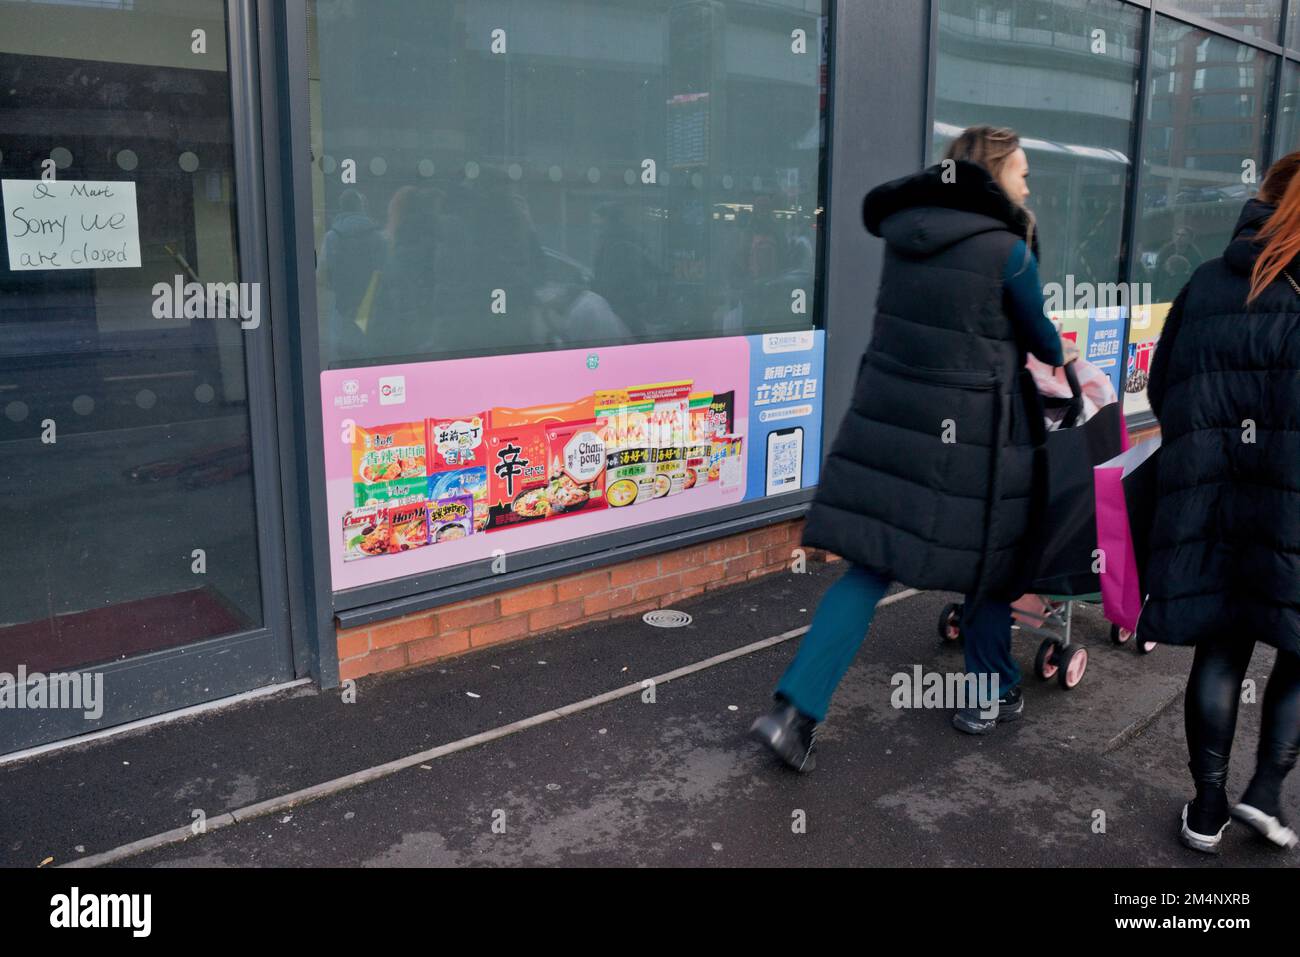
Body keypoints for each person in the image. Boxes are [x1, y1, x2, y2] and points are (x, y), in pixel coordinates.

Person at [749, 126, 1066, 770]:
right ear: (995, 173)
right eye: (1023, 172)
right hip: (974, 437)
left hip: (892, 424)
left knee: (868, 566)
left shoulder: (905, 237)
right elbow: (1044, 344)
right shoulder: (1008, 251)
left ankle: (794, 712)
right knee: (991, 565)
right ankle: (991, 690)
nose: (1028, 185)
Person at [1144, 154, 1300, 853]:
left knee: (1221, 642)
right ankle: (1265, 792)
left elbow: (1163, 387)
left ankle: (1206, 807)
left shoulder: (1207, 282)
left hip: (1212, 501)